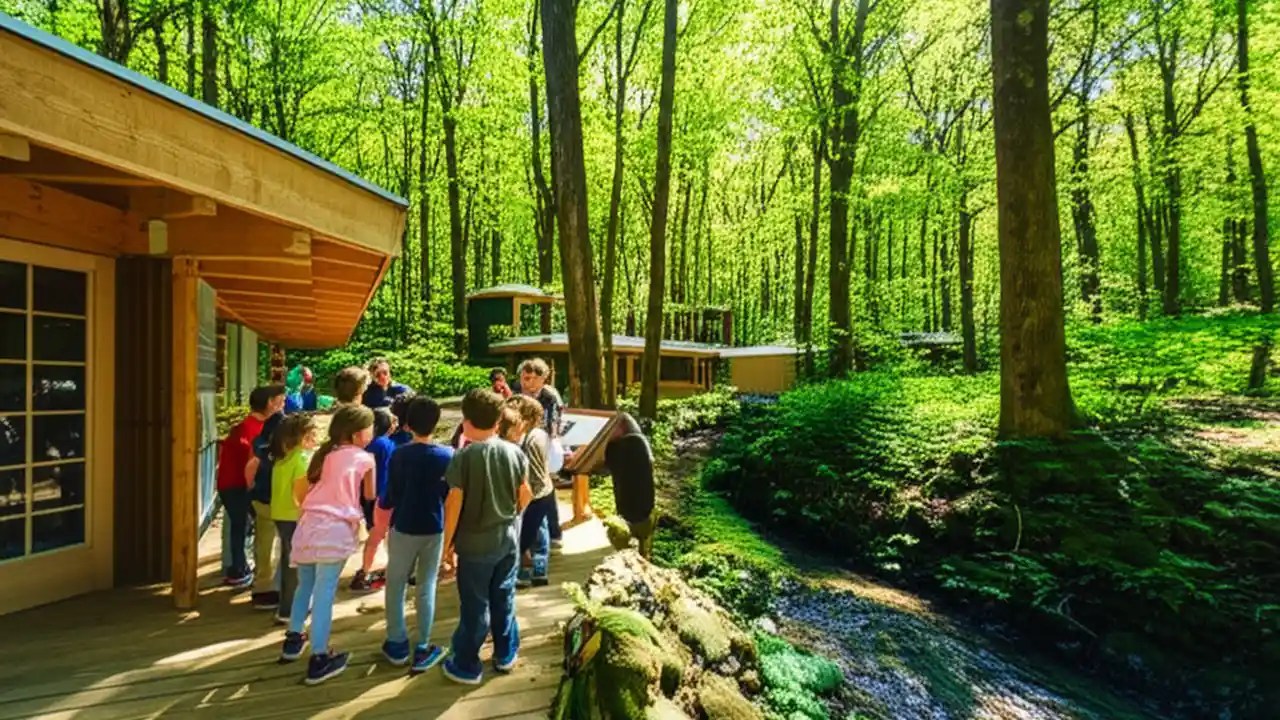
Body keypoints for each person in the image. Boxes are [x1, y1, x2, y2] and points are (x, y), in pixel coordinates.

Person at [279, 405, 377, 685]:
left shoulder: (323, 454)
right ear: (359, 434)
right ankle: (319, 657)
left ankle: (293, 638)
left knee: (305, 586)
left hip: (308, 526)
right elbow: (370, 494)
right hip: (334, 531)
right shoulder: (365, 458)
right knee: (324, 593)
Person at [441, 390, 532, 684]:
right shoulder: (515, 451)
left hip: (474, 543)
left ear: (466, 422)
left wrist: (447, 545)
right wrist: (511, 512)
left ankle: (467, 663)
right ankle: (505, 654)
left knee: (475, 603)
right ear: (498, 422)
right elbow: (525, 494)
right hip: (507, 538)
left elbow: (454, 502)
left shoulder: (464, 457)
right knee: (504, 596)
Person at [381, 397, 452, 673]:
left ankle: (397, 642)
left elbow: (390, 495)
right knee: (426, 586)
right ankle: (423, 645)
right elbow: (449, 494)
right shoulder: (447, 455)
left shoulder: (399, 454)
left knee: (396, 584)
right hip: (434, 527)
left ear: (408, 424)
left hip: (403, 525)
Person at [216, 385, 285, 588]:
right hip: (236, 485)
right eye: (280, 401)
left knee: (244, 526)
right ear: (269, 402)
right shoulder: (250, 427)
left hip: (241, 484)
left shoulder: (258, 426)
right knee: (241, 526)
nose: (282, 405)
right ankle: (237, 569)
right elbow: (251, 461)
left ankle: (240, 567)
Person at [268, 413, 318, 625]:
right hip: (294, 518)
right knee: (297, 565)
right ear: (303, 437)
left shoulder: (283, 459)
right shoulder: (301, 460)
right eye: (314, 434)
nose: (317, 438)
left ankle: (286, 606)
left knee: (289, 561)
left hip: (280, 515)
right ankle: (290, 609)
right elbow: (302, 495)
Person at [504, 395, 555, 588]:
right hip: (545, 489)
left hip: (532, 492)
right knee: (541, 532)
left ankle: (523, 572)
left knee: (524, 535)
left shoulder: (527, 440)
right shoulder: (541, 434)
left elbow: (528, 470)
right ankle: (540, 569)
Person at [245, 394, 287, 610]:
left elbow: (250, 468)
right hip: (277, 502)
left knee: (263, 544)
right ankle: (271, 589)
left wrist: (250, 487)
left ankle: (261, 586)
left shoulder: (259, 444)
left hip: (260, 498)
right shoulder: (284, 451)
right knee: (278, 546)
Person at [518, 358, 564, 549]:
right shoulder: (516, 391)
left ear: (542, 379)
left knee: (544, 486)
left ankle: (553, 531)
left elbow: (553, 422)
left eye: (529, 378)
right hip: (519, 441)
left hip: (540, 443)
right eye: (523, 378)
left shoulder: (550, 396)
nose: (525, 382)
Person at [353, 408, 397, 593]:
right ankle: (365, 572)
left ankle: (369, 569)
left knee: (377, 533)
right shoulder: (386, 444)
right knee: (381, 535)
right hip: (383, 496)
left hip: (368, 496)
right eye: (392, 421)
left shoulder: (369, 444)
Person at [604, 413, 657, 558]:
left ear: (622, 427)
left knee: (635, 533)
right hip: (639, 505)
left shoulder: (630, 444)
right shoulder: (635, 443)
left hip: (636, 505)